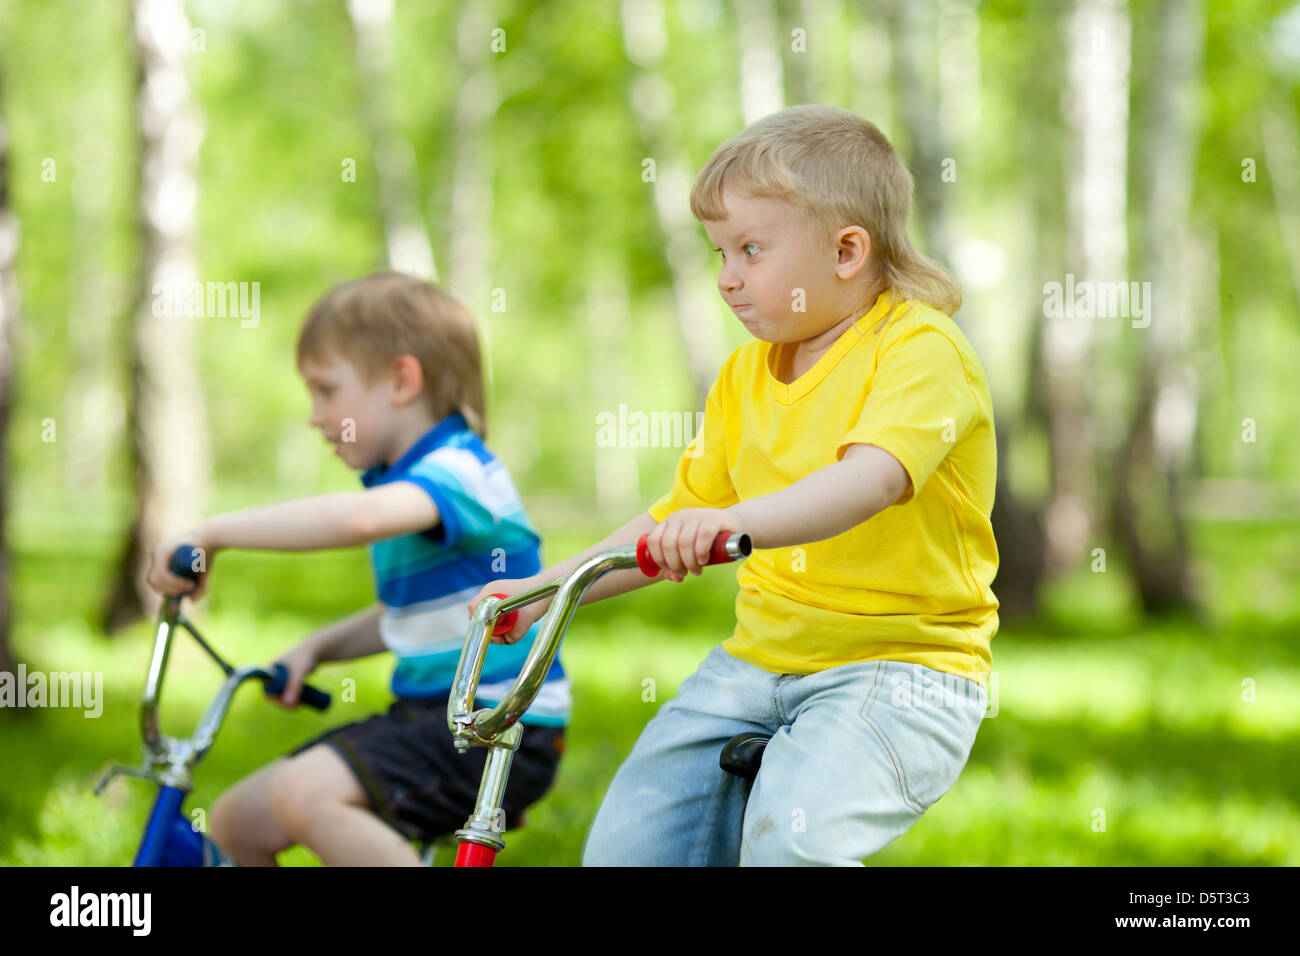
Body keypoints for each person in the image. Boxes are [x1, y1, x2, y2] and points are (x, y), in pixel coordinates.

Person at [472, 105, 998, 866]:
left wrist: (734, 524)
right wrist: (547, 591)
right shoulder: (745, 373)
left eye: (751, 250)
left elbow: (870, 481)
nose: (726, 278)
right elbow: (678, 514)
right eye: (719, 252)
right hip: (755, 663)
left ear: (848, 250)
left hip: (903, 670)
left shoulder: (920, 351)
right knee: (625, 851)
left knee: (792, 843)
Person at [147, 272, 568, 866]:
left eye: (326, 391)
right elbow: (411, 615)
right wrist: (316, 649)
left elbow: (359, 519)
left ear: (401, 380)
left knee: (305, 792)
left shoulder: (460, 470)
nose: (316, 418)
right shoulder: (410, 486)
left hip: (501, 728)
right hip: (429, 721)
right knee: (237, 820)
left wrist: (213, 533)